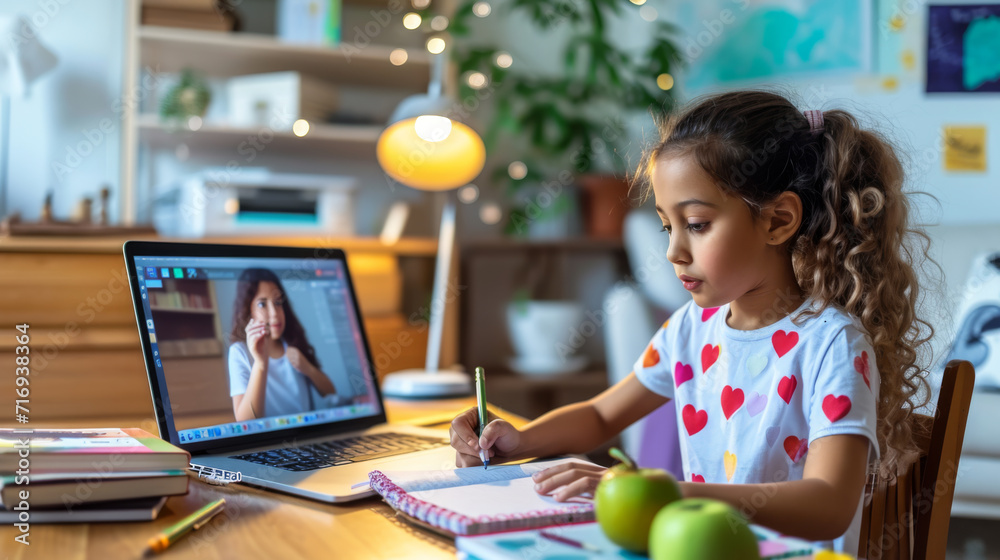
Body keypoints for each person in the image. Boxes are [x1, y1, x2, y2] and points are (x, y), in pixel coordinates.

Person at [449, 91, 933, 552]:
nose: (673, 251)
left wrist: (666, 494)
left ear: (777, 221)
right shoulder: (691, 328)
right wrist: (518, 440)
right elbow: (601, 416)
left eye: (697, 225)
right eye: (668, 226)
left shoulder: (833, 344)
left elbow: (829, 505)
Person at [228, 268, 337, 421]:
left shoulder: (293, 343)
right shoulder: (239, 352)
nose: (274, 313)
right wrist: (260, 364)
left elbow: (331, 392)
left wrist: (308, 369)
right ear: (248, 310)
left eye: (278, 302)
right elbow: (246, 421)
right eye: (262, 304)